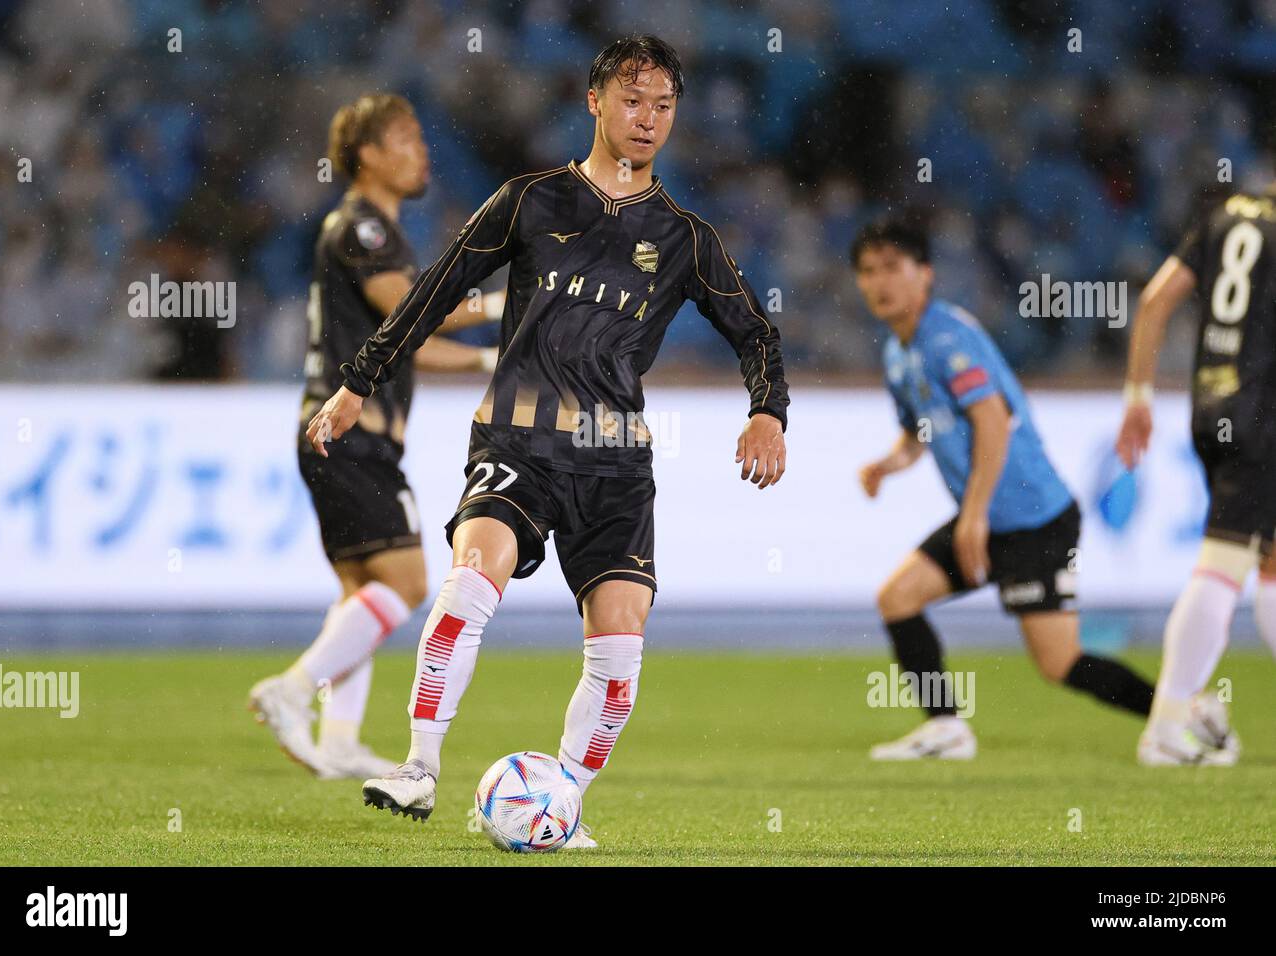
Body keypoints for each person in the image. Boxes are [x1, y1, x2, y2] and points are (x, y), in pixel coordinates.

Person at [305, 36, 789, 848]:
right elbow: (434, 293)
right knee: (470, 579)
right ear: (594, 102)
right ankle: (420, 768)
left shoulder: (685, 239)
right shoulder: (530, 201)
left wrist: (767, 411)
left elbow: (757, 335)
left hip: (615, 467)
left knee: (621, 658)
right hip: (518, 443)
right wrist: (359, 382)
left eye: (664, 106)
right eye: (632, 101)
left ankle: (561, 799)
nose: (648, 120)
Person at [249, 94, 502, 779]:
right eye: (406, 139)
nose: (421, 152)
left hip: (341, 437)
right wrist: (518, 300)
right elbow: (414, 309)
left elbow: (410, 341)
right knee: (408, 580)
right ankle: (291, 690)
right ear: (368, 154)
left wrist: (491, 359)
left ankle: (337, 740)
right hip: (350, 434)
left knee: (361, 588)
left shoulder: (371, 233)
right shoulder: (361, 229)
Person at [853, 217, 1155, 760]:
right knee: (898, 598)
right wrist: (888, 465)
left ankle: (1177, 714)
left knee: (1060, 664)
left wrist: (972, 518)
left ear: (925, 274)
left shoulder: (947, 337)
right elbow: (916, 434)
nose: (881, 283)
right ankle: (946, 727)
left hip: (1033, 518)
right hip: (989, 515)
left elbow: (992, 420)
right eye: (869, 271)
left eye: (893, 268)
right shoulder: (898, 354)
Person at [1116, 188, 1276, 765]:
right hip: (1263, 419)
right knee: (1225, 562)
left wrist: (1137, 395)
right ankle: (1166, 723)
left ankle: (1179, 713)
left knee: (1268, 559)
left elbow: (1156, 302)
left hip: (1212, 410)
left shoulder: (1225, 214)